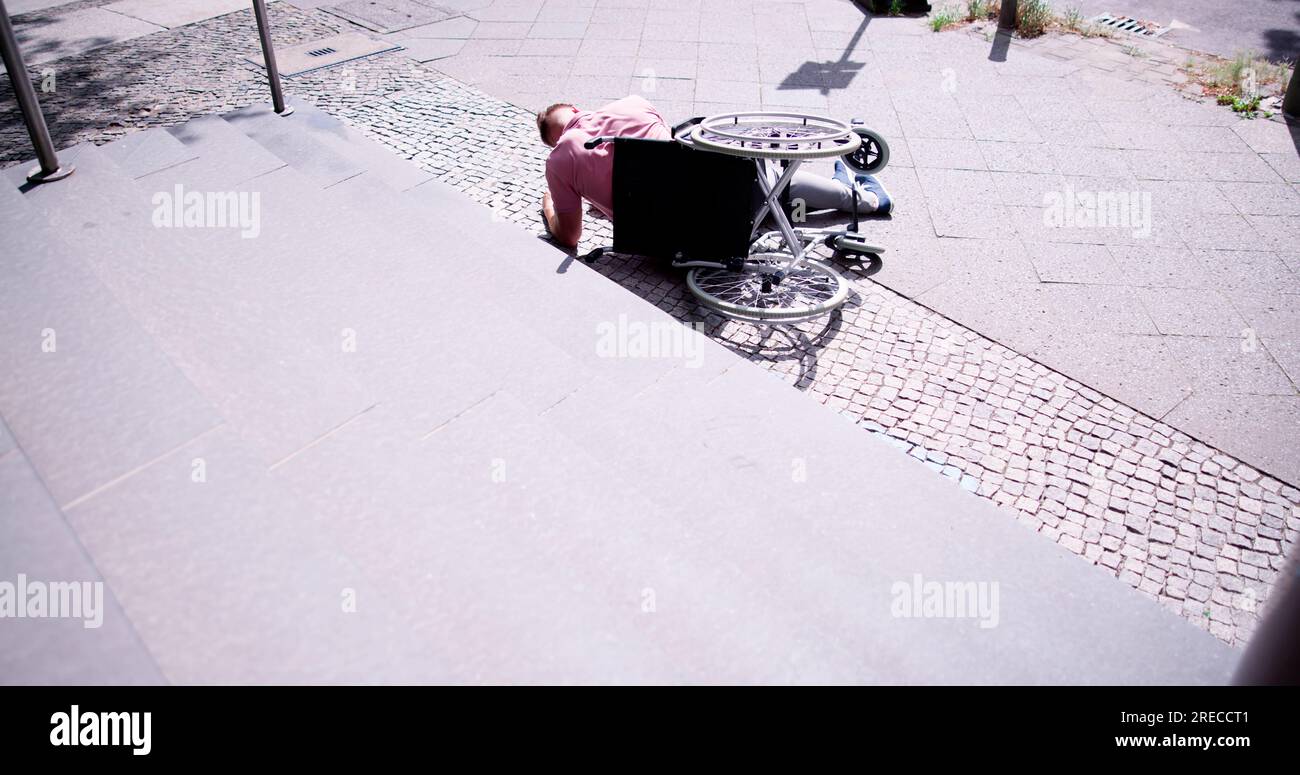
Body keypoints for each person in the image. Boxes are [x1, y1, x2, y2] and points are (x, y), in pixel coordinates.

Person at [536, 96, 892, 250]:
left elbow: (570, 238)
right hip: (724, 208)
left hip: (670, 241)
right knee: (769, 186)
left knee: (770, 193)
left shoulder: (561, 160)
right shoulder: (633, 105)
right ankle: (866, 198)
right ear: (576, 108)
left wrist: (550, 206)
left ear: (554, 142)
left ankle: (849, 190)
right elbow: (662, 162)